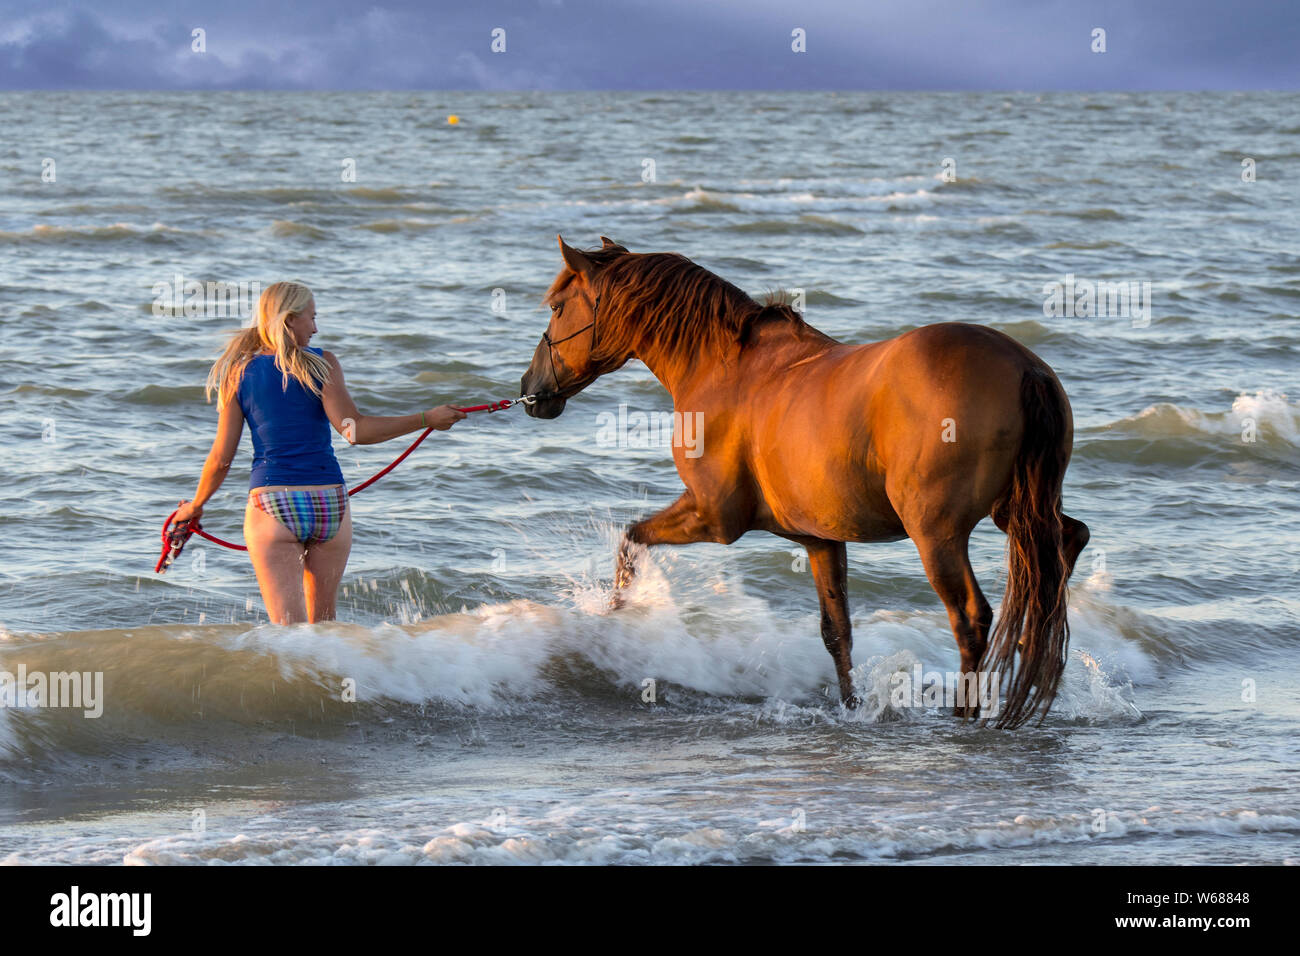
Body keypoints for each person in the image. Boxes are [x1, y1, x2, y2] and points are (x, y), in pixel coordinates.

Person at [173, 281, 466, 624]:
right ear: (290, 319)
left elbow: (222, 458)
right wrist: (425, 418)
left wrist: (195, 505)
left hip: (273, 505)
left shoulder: (238, 372)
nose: (316, 327)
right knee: (324, 630)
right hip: (330, 503)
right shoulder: (322, 363)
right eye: (312, 318)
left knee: (289, 638)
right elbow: (354, 431)